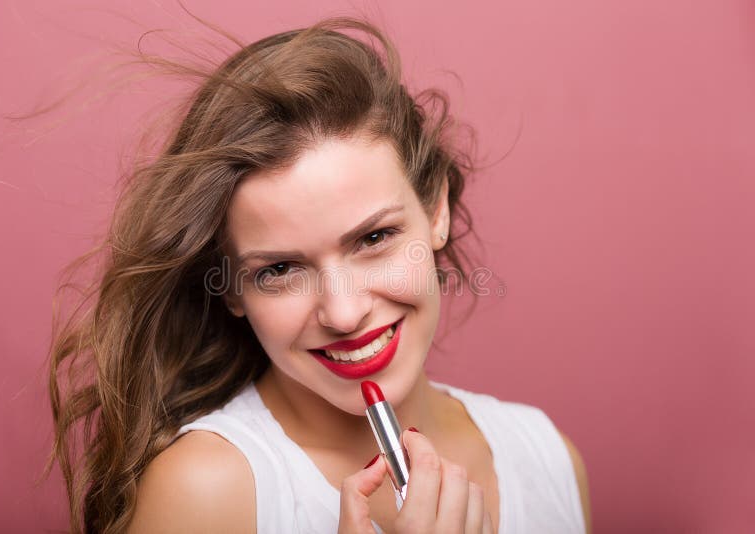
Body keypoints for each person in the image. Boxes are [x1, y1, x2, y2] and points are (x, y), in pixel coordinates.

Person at [47, 16, 591, 534]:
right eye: (280, 269)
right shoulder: (205, 491)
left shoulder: (546, 457)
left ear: (437, 211)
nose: (345, 312)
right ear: (232, 287)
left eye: (374, 238)